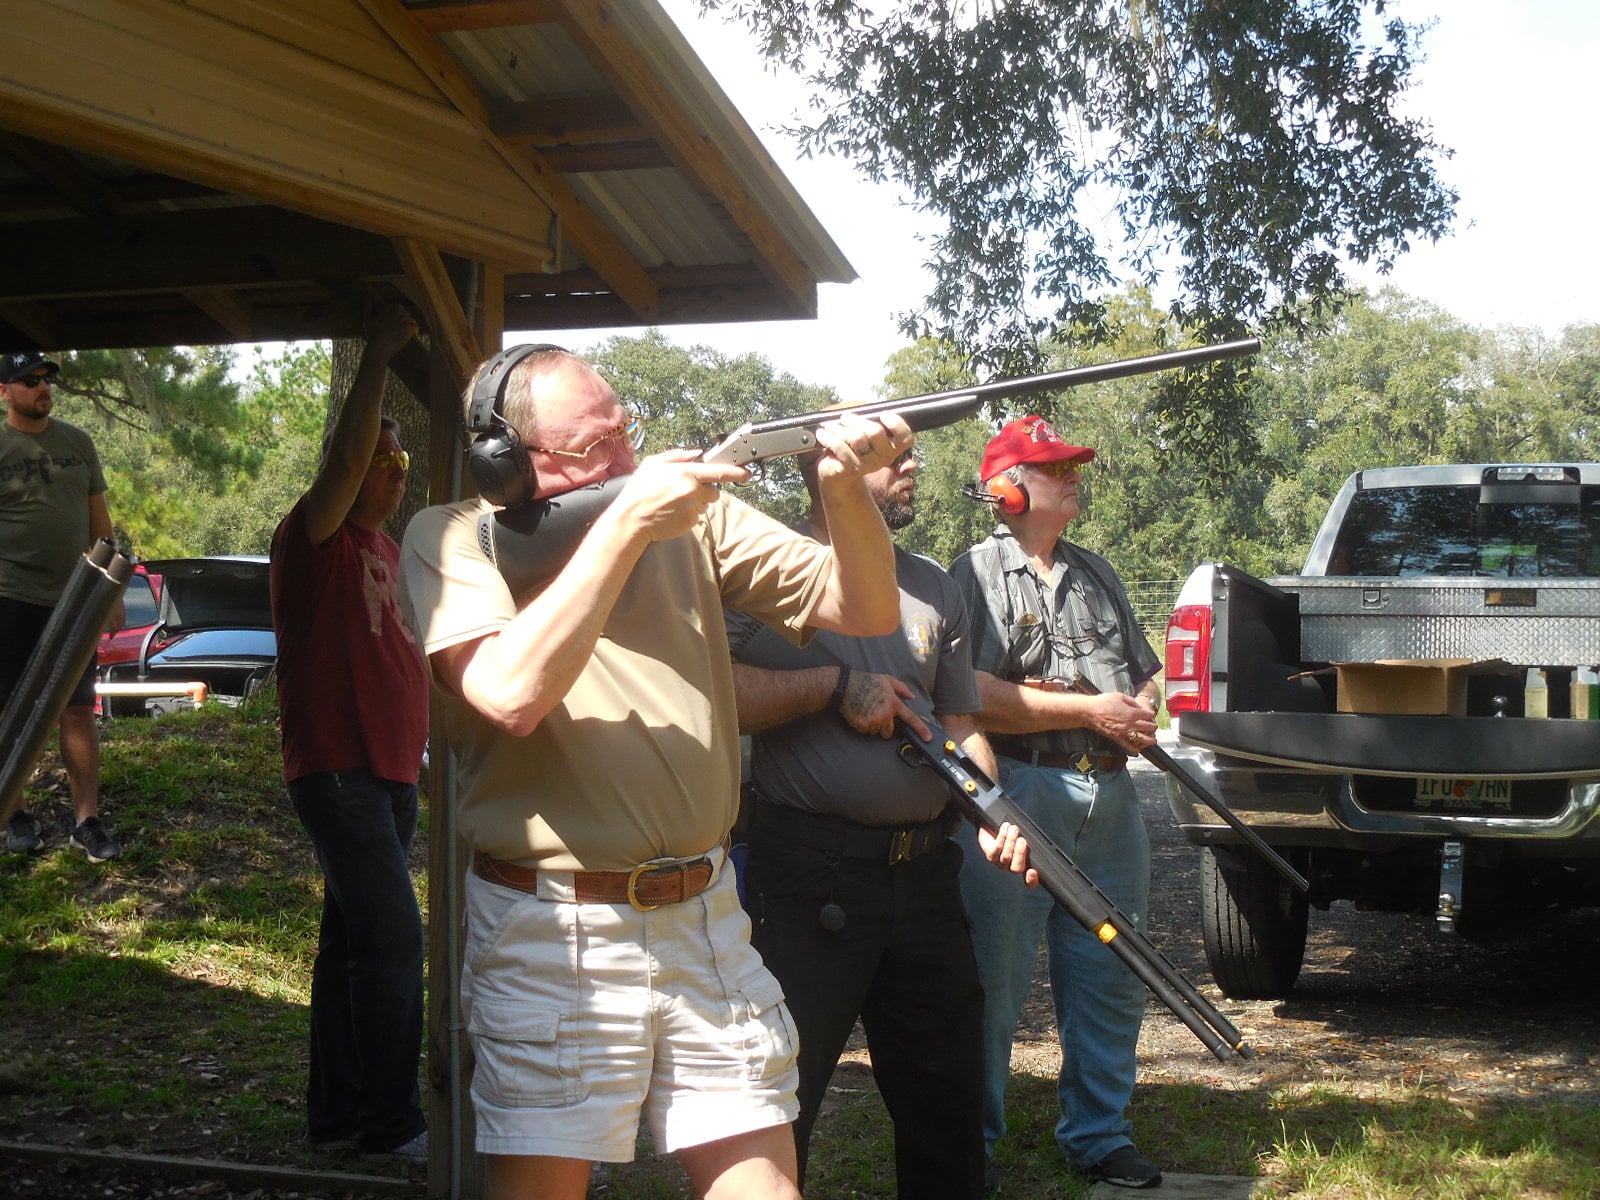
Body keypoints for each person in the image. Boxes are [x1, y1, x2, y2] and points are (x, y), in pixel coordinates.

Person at [398, 343, 926, 1200]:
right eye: (592, 450)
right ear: (504, 463)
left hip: (707, 915)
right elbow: (508, 693)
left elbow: (862, 608)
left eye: (625, 435)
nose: (624, 463)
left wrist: (843, 493)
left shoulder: (695, 519)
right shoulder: (455, 536)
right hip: (550, 925)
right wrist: (627, 523)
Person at [725, 440, 1005, 1199]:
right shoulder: (763, 574)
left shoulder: (934, 588)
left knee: (946, 1095)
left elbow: (961, 720)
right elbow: (713, 697)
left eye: (912, 453)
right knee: (783, 1091)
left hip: (925, 878)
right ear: (829, 472)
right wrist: (830, 686)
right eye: (890, 455)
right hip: (808, 876)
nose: (912, 465)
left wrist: (994, 810)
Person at [948, 415, 1164, 1192]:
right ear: (1005, 489)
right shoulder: (967, 577)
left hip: (1110, 793)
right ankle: (972, 1148)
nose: (1073, 476)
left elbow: (1142, 671)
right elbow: (966, 695)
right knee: (994, 982)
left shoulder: (1097, 571)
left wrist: (1139, 706)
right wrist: (1083, 711)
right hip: (1015, 791)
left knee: (1114, 972)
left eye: (1074, 464)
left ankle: (1100, 1135)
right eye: (1053, 468)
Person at [269, 305, 431, 1159]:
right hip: (337, 770)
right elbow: (340, 459)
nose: (394, 471)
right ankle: (391, 1123)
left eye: (402, 458)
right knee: (397, 940)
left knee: (350, 949)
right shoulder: (312, 536)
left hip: (394, 772)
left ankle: (334, 1120)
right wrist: (378, 353)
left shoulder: (392, 552)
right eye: (381, 456)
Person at [1, 349, 123, 862]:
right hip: (8, 596)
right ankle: (15, 815)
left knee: (77, 708)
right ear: (5, 390)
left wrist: (109, 594)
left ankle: (86, 821)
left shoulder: (79, 442)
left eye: (46, 379)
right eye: (29, 380)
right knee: (9, 711)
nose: (41, 387)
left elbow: (100, 520)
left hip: (73, 600)